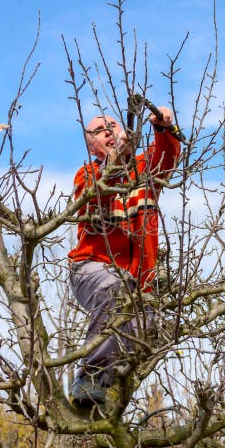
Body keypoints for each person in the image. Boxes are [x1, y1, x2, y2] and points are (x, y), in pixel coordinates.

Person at [68, 106, 181, 405]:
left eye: (112, 125)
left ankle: (104, 416)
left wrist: (163, 127)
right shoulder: (88, 174)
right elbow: (96, 198)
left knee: (141, 335)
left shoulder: (145, 170)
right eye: (97, 130)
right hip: (92, 269)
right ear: (90, 145)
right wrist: (116, 159)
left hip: (138, 285)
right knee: (115, 288)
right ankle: (90, 375)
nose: (107, 130)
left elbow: (167, 157)